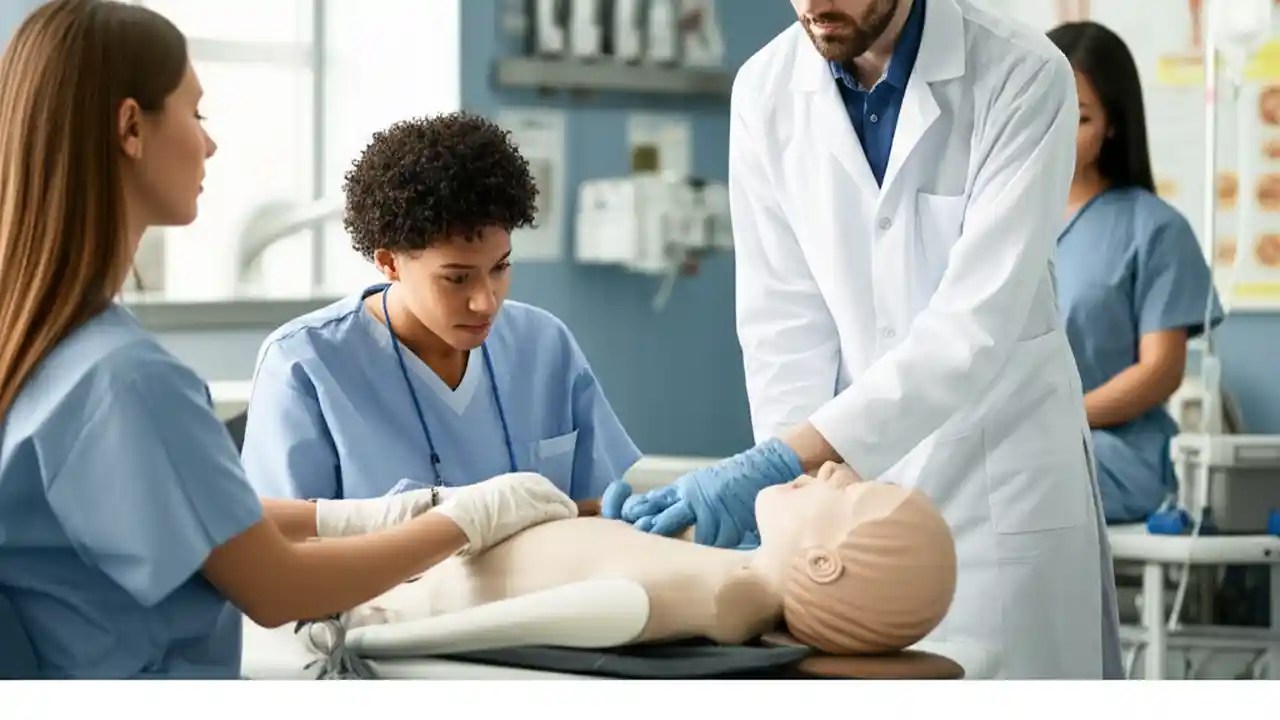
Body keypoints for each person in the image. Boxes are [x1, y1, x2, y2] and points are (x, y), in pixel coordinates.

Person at [0, 0, 577, 680]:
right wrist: (465, 518)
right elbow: (277, 590)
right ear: (132, 127)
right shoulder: (125, 380)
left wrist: (361, 517)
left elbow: (200, 514)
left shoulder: (47, 347)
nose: (209, 143)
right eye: (196, 113)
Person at [604, 0, 1123, 679]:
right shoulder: (766, 89)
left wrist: (780, 464)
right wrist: (790, 502)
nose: (814, 4)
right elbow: (782, 323)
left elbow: (972, 328)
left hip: (997, 488)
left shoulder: (1021, 74)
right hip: (846, 505)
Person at [239, 113, 641, 503]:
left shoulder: (544, 346)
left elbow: (597, 505)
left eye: (500, 267)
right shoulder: (305, 364)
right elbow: (286, 550)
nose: (486, 301)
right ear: (389, 262)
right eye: (457, 278)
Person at [305, 462, 958, 659]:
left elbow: (527, 619)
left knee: (304, 530)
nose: (832, 468)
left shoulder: (719, 601)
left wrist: (373, 633)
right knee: (310, 523)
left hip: (426, 580)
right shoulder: (730, 578)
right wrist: (620, 534)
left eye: (846, 493)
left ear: (821, 565)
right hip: (476, 535)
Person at [1046, 22, 1223, 524]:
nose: (1055, 130)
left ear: (1113, 124)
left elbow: (1160, 371)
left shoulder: (1154, 228)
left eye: (1078, 117)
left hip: (1114, 453)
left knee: (1018, 477)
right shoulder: (999, 219)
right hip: (1015, 445)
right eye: (1044, 111)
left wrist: (1057, 420)